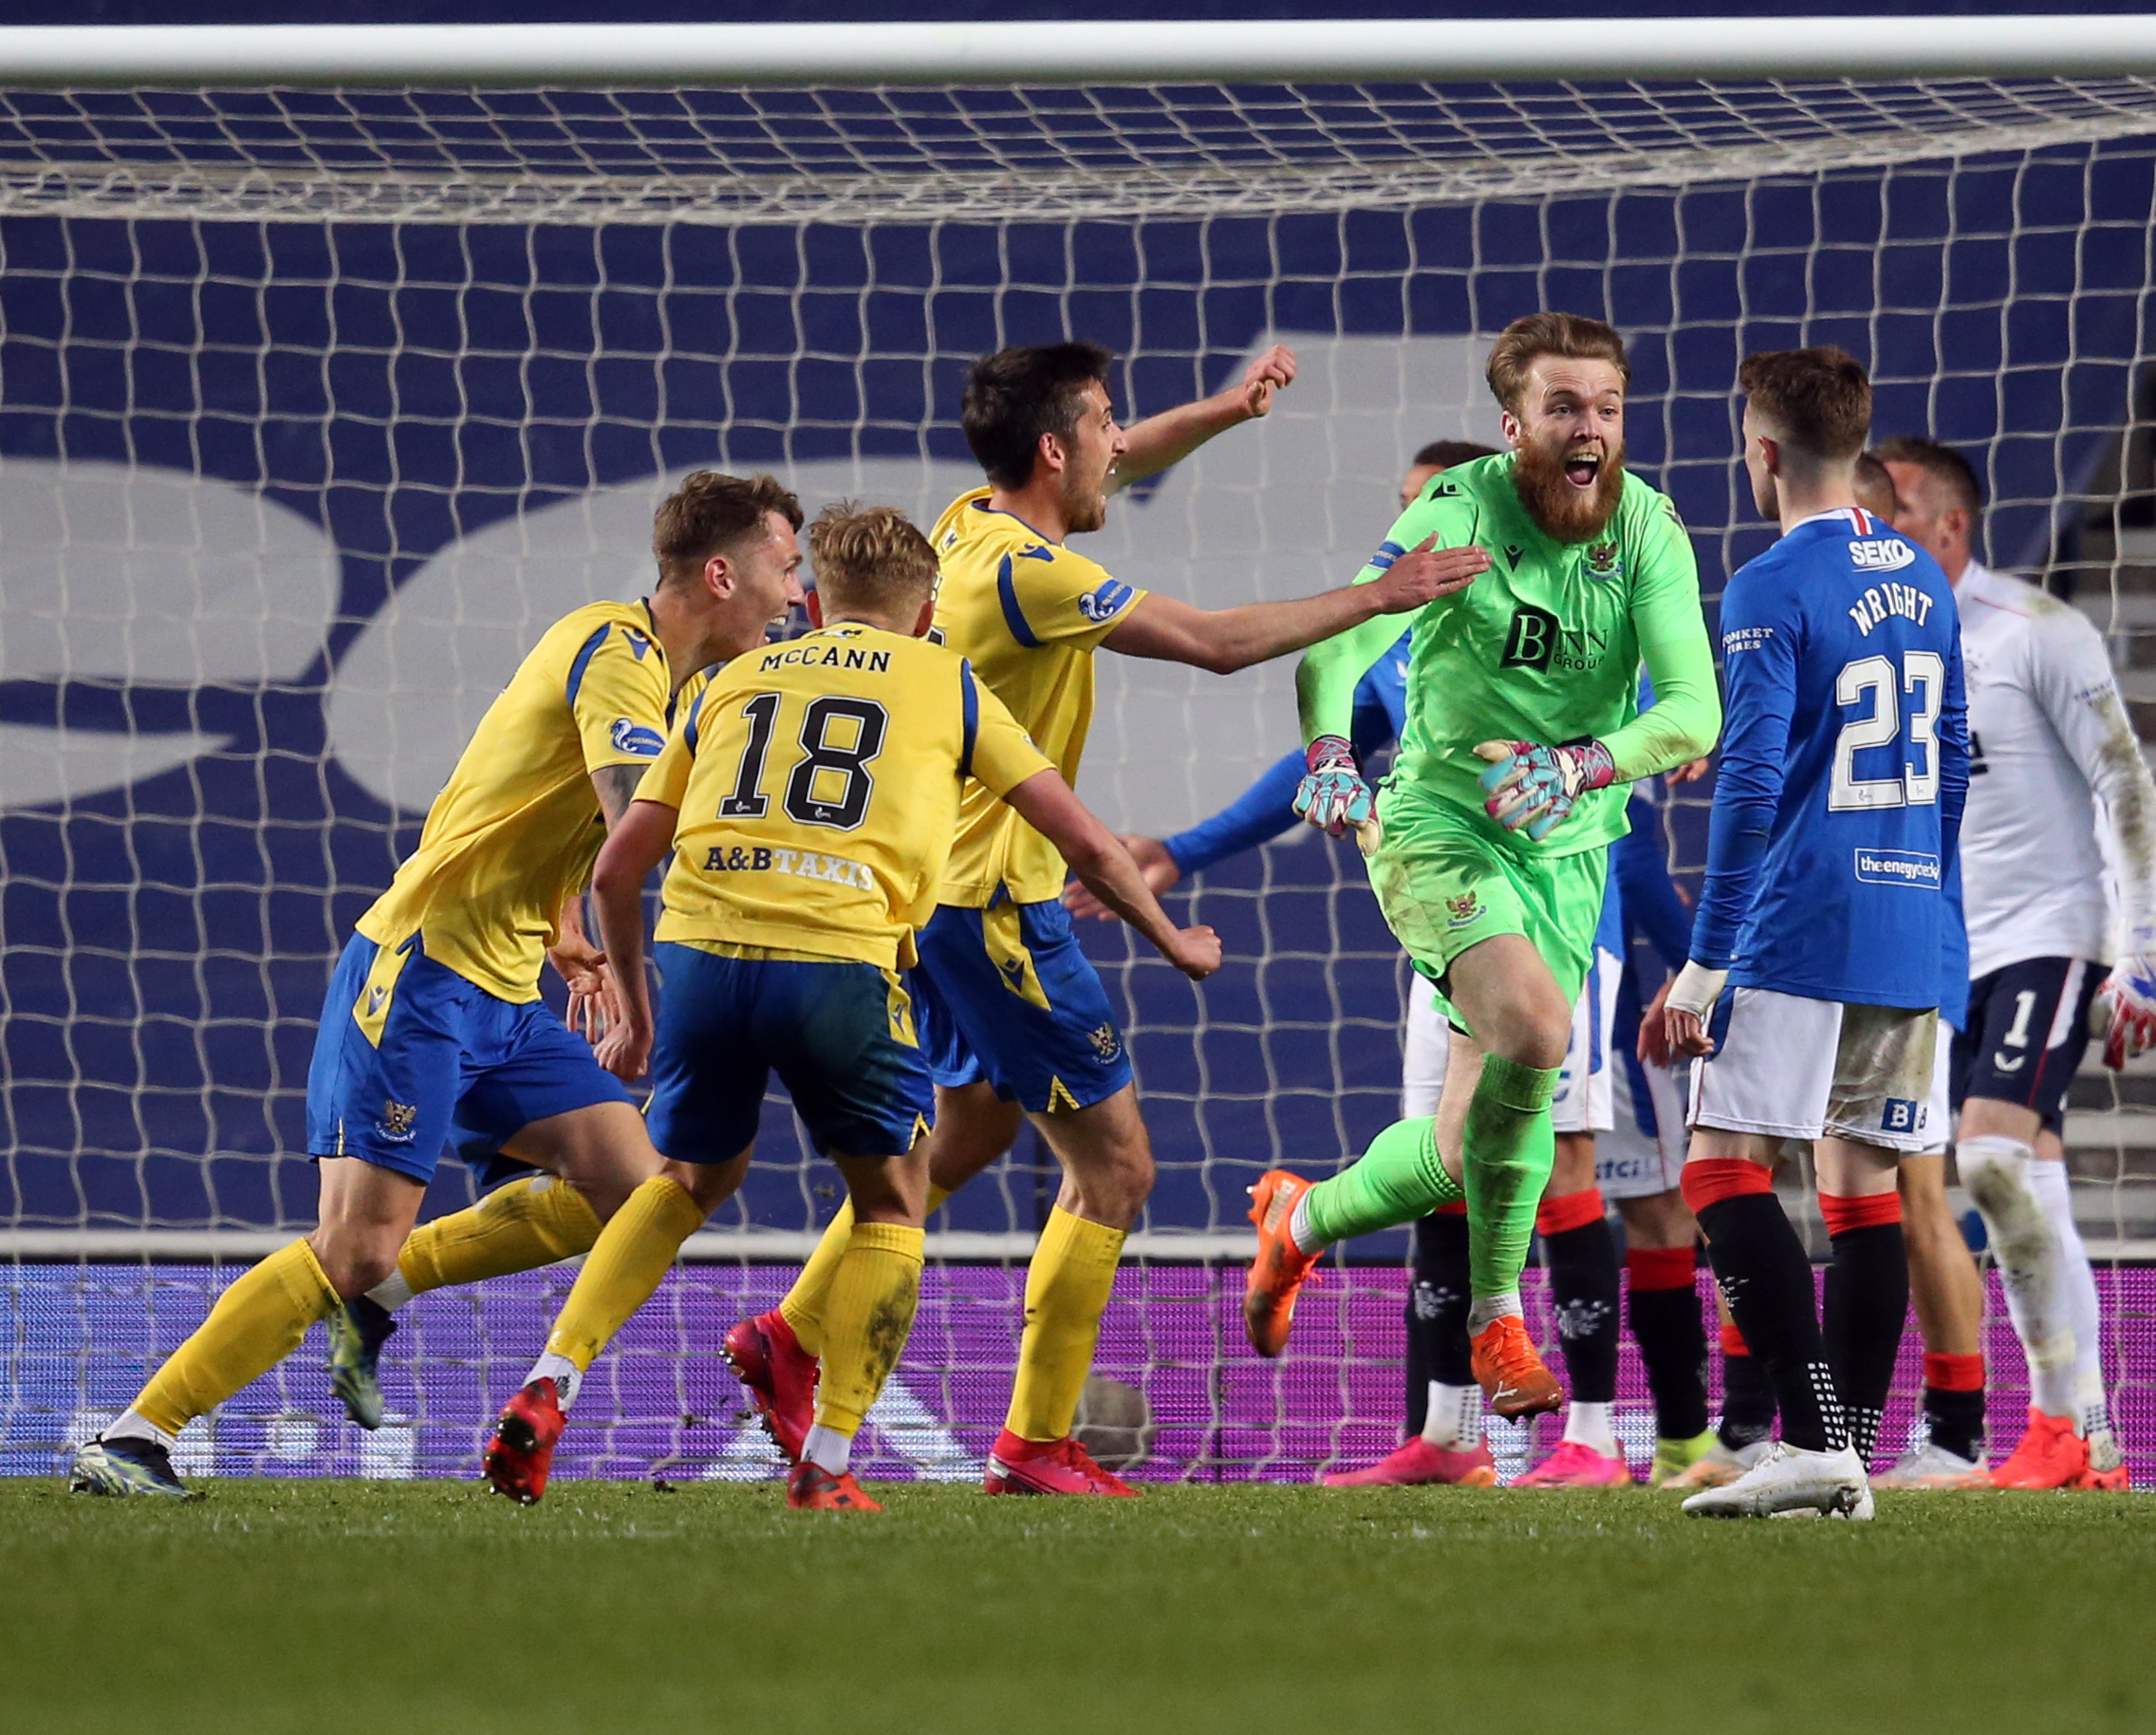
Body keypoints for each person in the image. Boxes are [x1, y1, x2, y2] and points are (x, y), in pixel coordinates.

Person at [717, 344, 1488, 1497]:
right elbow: (1219, 646)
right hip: (996, 910)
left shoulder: (965, 524)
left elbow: (1128, 452)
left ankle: (789, 1334)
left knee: (966, 1136)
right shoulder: (1036, 576)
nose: (1119, 445)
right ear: (1051, 446)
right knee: (1118, 1170)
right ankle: (1033, 1442)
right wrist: (1380, 596)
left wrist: (1226, 412)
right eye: (1104, 425)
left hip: (937, 896)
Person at [72, 471, 807, 1498]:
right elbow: (635, 839)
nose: (793, 595)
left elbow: (502, 807)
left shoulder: (678, 684)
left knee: (630, 1193)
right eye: (783, 566)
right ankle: (137, 1434)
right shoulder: (616, 655)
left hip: (503, 990)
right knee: (353, 1242)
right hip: (419, 975)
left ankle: (378, 1299)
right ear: (721, 571)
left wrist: (560, 936)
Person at [481, 503, 1222, 1510]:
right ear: (927, 616)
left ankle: (549, 1382)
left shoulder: (729, 682)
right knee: (889, 1201)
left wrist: (637, 1011)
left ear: (817, 602)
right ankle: (826, 1466)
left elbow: (615, 868)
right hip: (838, 957)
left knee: (685, 1178)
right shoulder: (945, 682)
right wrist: (1173, 939)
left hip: (701, 954)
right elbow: (1086, 844)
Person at [1240, 312, 1721, 1425]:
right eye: (1563, 408)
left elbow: (1695, 710)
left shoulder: (1647, 529)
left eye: (1605, 406)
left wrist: (1583, 763)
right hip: (1439, 825)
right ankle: (1497, 1318)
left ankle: (1296, 1223)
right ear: (1514, 428)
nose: (1589, 428)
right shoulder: (1455, 510)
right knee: (1542, 1037)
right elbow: (1340, 644)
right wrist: (1325, 749)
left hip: (1565, 846)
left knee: (1464, 1150)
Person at [1649, 346, 1970, 1521]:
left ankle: (1819, 1441)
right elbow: (1951, 772)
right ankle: (1843, 1455)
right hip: (1904, 918)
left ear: (1763, 452)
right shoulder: (1926, 583)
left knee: (1721, 1170)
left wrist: (1703, 957)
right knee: (1860, 1183)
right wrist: (1926, 905)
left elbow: (1744, 783)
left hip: (1797, 918)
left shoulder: (1767, 585)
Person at [1869, 434, 2156, 1493]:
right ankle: (2077, 1434)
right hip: (1935, 948)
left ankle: (2063, 1428)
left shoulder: (2036, 631)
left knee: (1991, 1161)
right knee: (2023, 1178)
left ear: (1950, 526)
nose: (1873, 525)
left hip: (2045, 933)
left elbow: (2123, 783)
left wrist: (2139, 953)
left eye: (1896, 509)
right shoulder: (1886, 638)